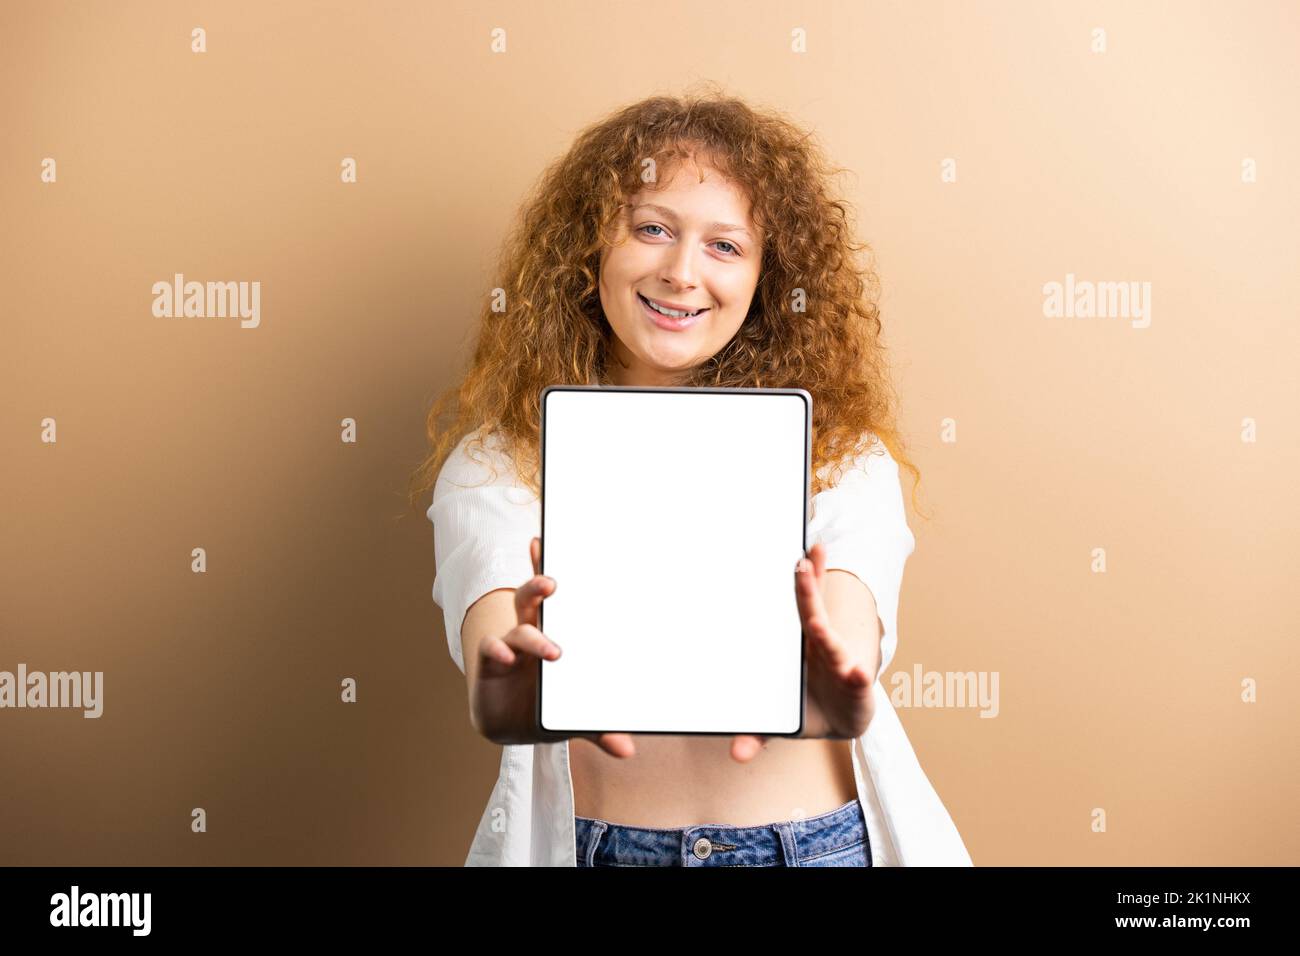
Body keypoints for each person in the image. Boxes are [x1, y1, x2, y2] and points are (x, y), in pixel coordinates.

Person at [409, 86, 973, 866]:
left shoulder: (837, 454)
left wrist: (828, 697)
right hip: (597, 849)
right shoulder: (498, 463)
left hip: (815, 848)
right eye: (651, 229)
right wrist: (506, 700)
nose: (681, 272)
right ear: (589, 250)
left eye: (725, 246)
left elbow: (847, 625)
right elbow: (496, 647)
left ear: (767, 279)